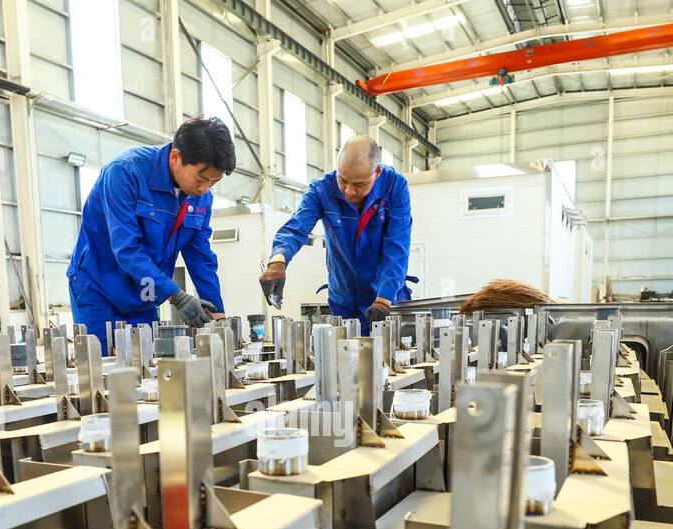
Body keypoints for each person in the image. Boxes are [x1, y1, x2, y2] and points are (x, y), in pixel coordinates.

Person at [67, 117, 235, 353]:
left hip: (145, 291)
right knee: (102, 371)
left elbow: (201, 258)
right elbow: (126, 249)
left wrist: (217, 315)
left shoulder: (201, 199)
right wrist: (176, 296)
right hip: (98, 287)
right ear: (176, 157)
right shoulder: (125, 173)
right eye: (201, 178)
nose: (204, 189)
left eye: (213, 182)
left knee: (146, 366)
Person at [259, 135, 413, 334]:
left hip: (386, 301)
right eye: (342, 179)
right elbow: (296, 227)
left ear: (377, 172)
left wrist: (384, 299)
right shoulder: (322, 188)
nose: (348, 191)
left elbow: (397, 247)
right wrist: (277, 262)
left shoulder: (395, 187)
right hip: (344, 303)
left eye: (358, 184)